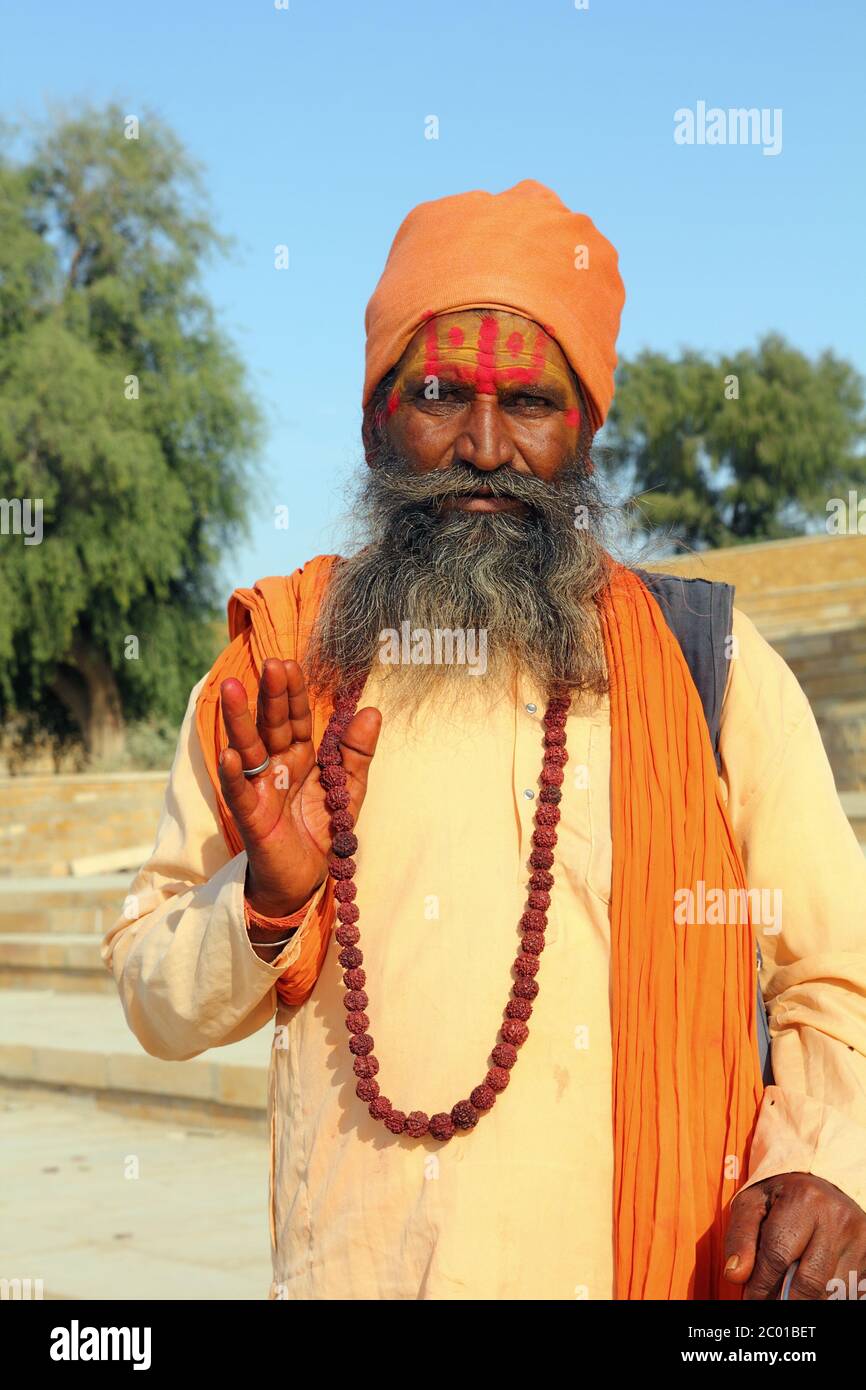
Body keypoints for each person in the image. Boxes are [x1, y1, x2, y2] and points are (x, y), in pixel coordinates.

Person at [103, 180, 866, 1301]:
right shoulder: (279, 666)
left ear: (584, 432)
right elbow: (150, 991)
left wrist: (816, 1160)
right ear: (375, 420)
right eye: (437, 392)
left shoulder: (714, 663)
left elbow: (835, 980)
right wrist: (265, 901)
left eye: (529, 404)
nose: (483, 444)